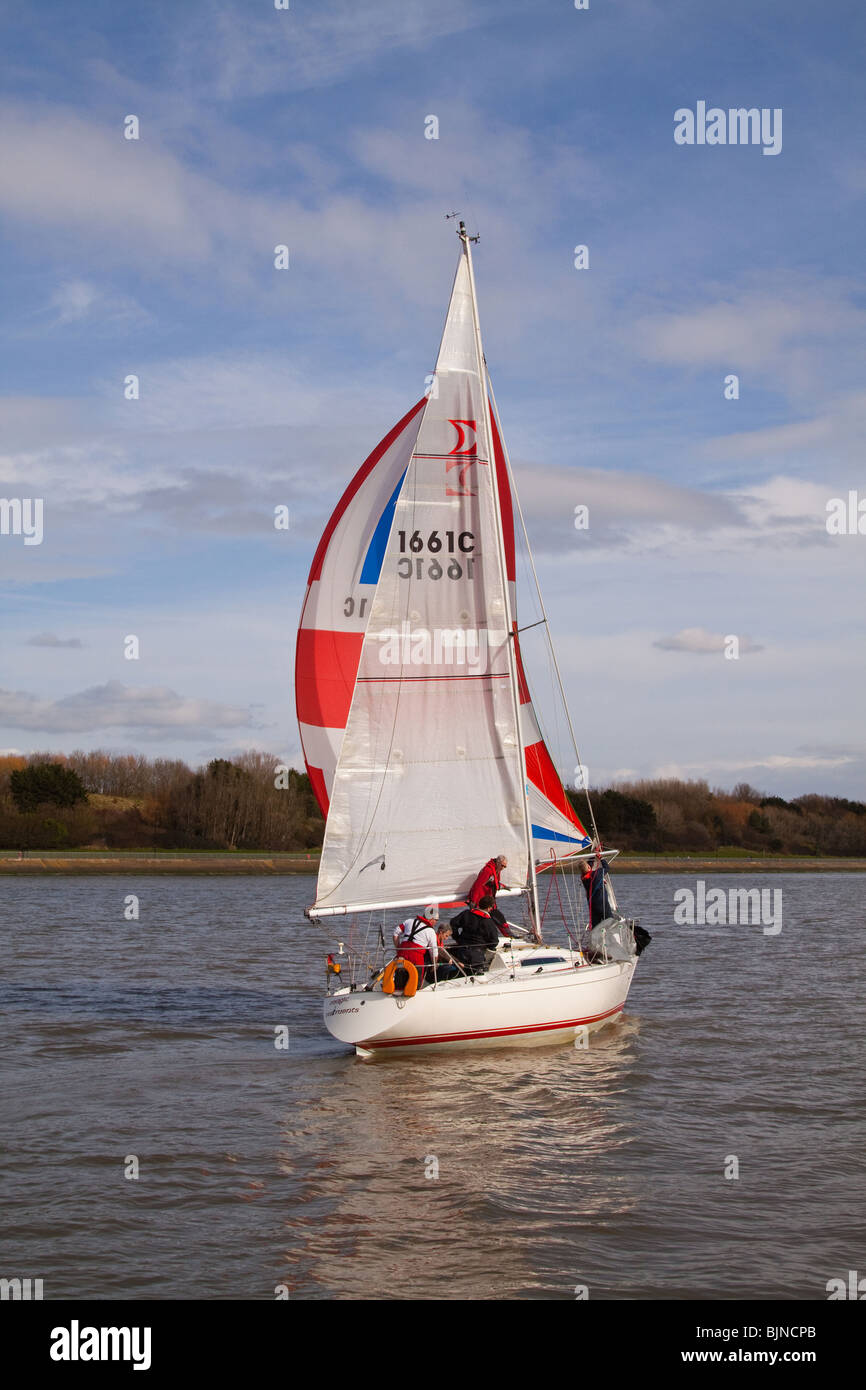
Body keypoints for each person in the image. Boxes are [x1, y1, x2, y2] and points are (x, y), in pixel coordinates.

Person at [394, 905, 458, 985]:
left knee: (400, 978)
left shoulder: (409, 921)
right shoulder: (430, 931)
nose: (436, 922)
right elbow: (434, 952)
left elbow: (396, 933)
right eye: (436, 920)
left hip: (402, 954)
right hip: (416, 957)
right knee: (416, 983)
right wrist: (434, 965)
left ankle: (397, 989)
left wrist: (398, 949)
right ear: (431, 919)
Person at [449, 894, 501, 975]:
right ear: (489, 908)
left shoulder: (466, 914)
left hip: (462, 950)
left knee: (463, 974)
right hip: (477, 955)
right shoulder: (488, 922)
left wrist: (457, 938)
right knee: (475, 974)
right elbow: (494, 942)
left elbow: (453, 923)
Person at [467, 854, 511, 934]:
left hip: (488, 901)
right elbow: (478, 886)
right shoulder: (488, 870)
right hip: (480, 902)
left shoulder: (496, 870)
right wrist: (473, 901)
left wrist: (504, 886)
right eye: (502, 866)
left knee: (497, 916)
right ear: (497, 863)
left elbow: (494, 883)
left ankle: (508, 933)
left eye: (505, 867)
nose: (503, 868)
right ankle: (505, 933)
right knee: (483, 921)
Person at [579, 857, 616, 927]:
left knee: (596, 925)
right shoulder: (597, 873)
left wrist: (593, 856)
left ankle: (596, 936)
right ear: (588, 867)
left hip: (592, 906)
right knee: (610, 923)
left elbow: (588, 866)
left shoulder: (583, 877)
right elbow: (606, 868)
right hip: (602, 904)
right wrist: (601, 858)